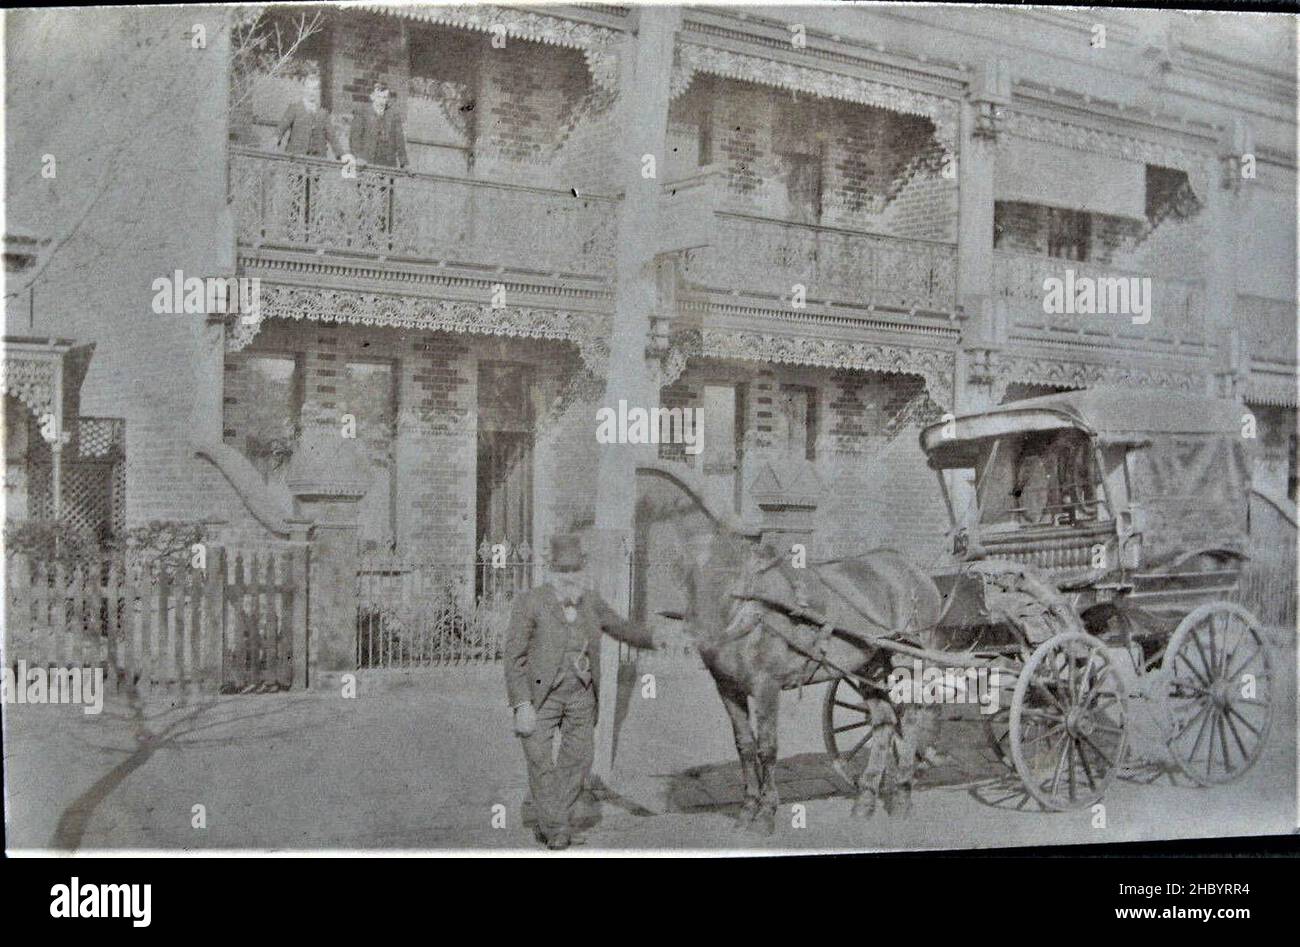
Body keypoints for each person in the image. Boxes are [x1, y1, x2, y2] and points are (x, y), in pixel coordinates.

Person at [503, 533, 659, 850]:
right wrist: (521, 704)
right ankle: (557, 827)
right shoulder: (530, 603)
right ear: (551, 571)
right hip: (540, 698)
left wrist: (658, 638)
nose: (569, 577)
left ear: (582, 570)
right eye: (563, 571)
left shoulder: (592, 602)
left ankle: (554, 822)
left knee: (579, 760)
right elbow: (514, 657)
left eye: (574, 570)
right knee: (540, 762)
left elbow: (622, 627)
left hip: (581, 696)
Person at [275, 74, 340, 158]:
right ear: (304, 89)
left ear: (318, 91)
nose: (311, 92)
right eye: (308, 88)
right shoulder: (295, 108)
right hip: (295, 158)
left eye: (314, 89)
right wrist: (274, 141)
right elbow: (280, 129)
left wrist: (343, 155)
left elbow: (333, 137)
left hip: (317, 161)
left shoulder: (323, 113)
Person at [346, 81, 408, 169]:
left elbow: (399, 140)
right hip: (366, 162)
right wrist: (358, 157)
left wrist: (404, 162)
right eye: (379, 97)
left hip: (387, 163)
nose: (382, 101)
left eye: (385, 97)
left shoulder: (394, 115)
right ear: (372, 97)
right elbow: (354, 138)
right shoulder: (362, 112)